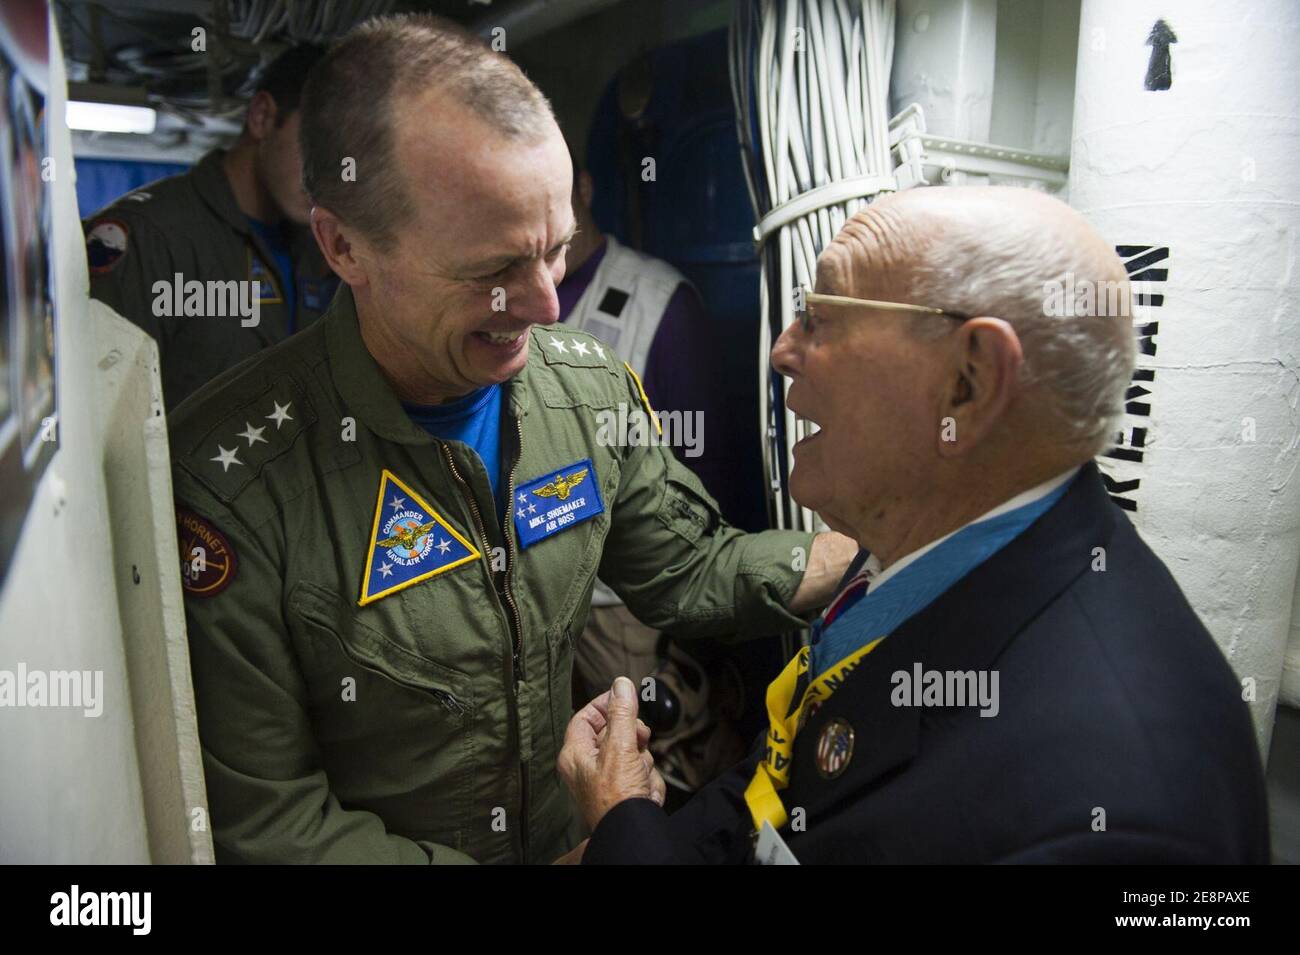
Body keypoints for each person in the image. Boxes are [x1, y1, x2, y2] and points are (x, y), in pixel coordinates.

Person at [168, 14, 856, 865]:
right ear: (345, 245)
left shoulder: (586, 390)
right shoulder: (234, 484)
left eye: (556, 251)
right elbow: (273, 825)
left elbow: (688, 569)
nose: (544, 306)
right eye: (495, 271)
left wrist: (864, 556)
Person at [558, 186, 1271, 864]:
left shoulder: (1117, 815)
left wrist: (625, 823)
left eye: (821, 317)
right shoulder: (915, 563)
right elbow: (784, 794)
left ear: (970, 379)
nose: (782, 350)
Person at [560, 146, 753, 793]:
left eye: (554, 192)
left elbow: (706, 481)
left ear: (584, 186)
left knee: (665, 766)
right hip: (546, 598)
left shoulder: (658, 302)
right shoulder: (509, 298)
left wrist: (696, 633)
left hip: (629, 605)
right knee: (579, 773)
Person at [84, 44, 337, 410]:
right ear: (263, 116)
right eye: (319, 144)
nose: (328, 175)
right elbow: (102, 419)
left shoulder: (322, 247)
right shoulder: (150, 237)